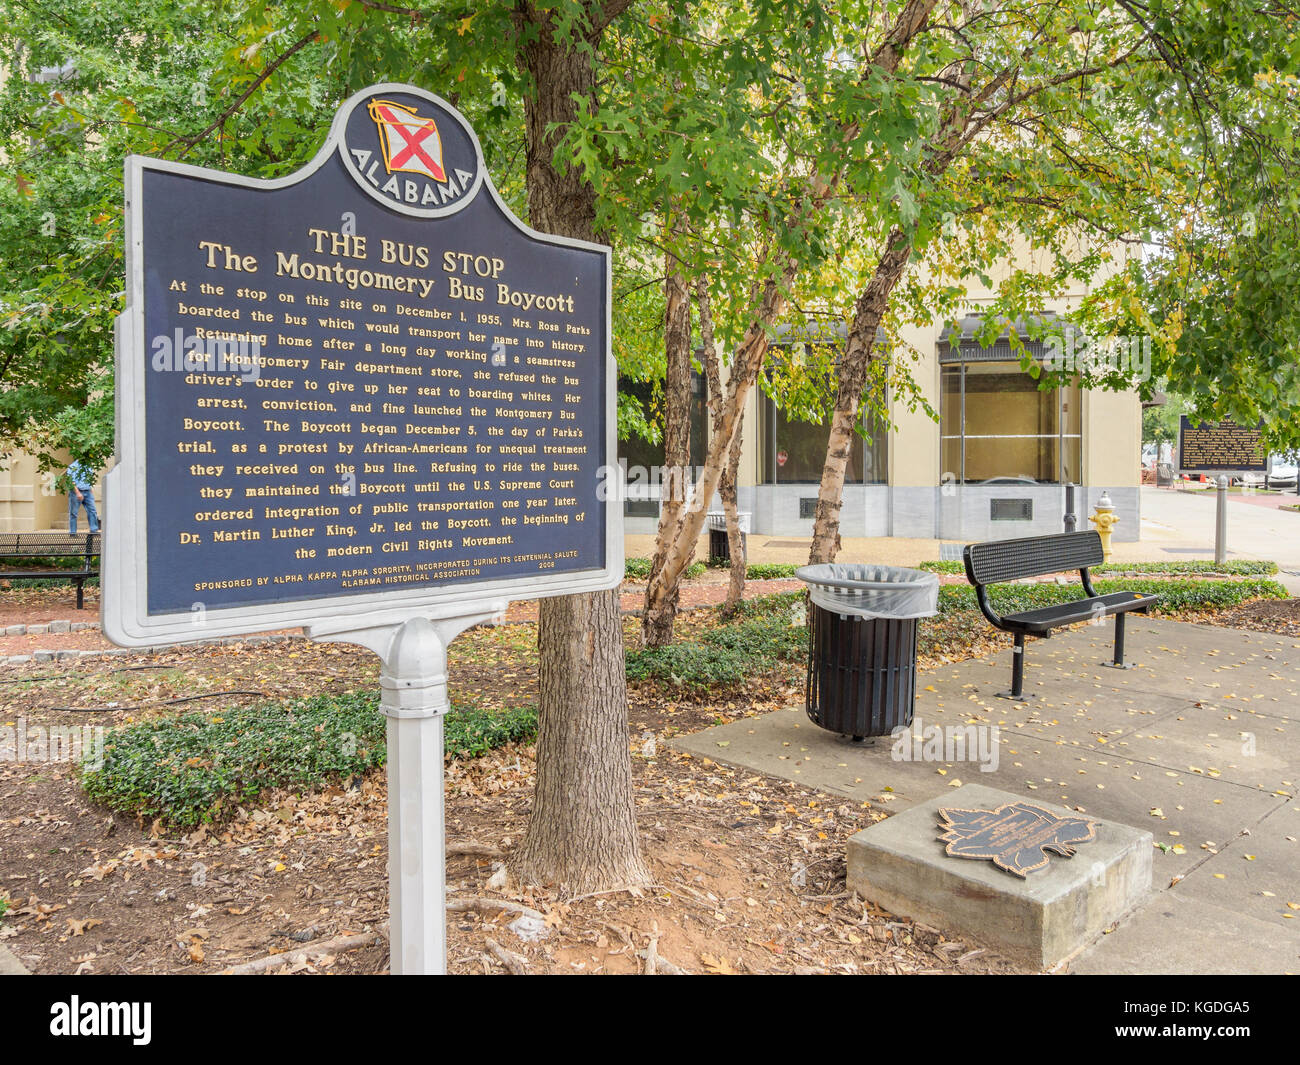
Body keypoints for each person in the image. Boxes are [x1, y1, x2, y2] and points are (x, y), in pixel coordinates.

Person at [66, 460, 100, 534]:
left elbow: (89, 480)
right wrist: (77, 492)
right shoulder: (73, 466)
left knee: (92, 511)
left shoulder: (88, 465)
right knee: (73, 513)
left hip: (88, 491)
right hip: (76, 492)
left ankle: (94, 530)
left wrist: (90, 490)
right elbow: (71, 481)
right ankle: (73, 532)